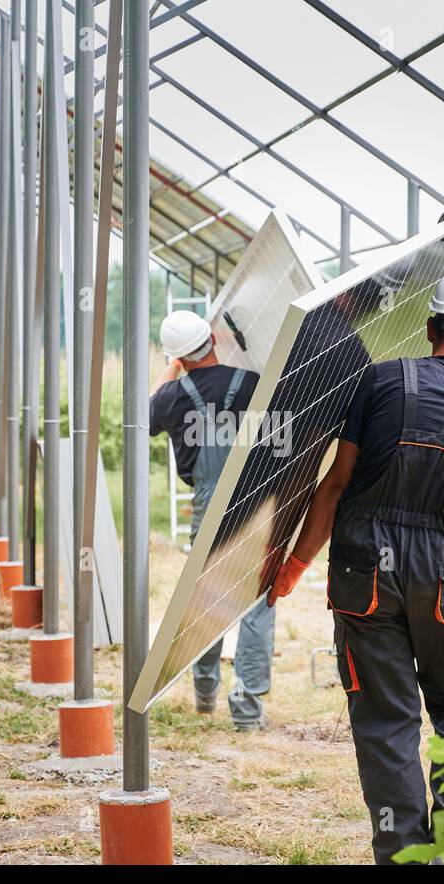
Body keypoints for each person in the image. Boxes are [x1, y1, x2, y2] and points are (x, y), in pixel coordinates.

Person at [266, 206, 444, 863]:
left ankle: (402, 855)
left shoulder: (377, 379)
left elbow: (333, 486)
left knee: (385, 721)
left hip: (365, 569)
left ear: (427, 329)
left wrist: (295, 563)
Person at [149, 310, 276, 731]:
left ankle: (205, 695)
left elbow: (144, 412)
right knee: (256, 607)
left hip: (207, 512)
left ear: (178, 359)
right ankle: (248, 713)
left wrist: (172, 367)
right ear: (215, 341)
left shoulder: (170, 398)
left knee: (206, 604)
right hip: (255, 509)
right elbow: (280, 444)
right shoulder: (254, 386)